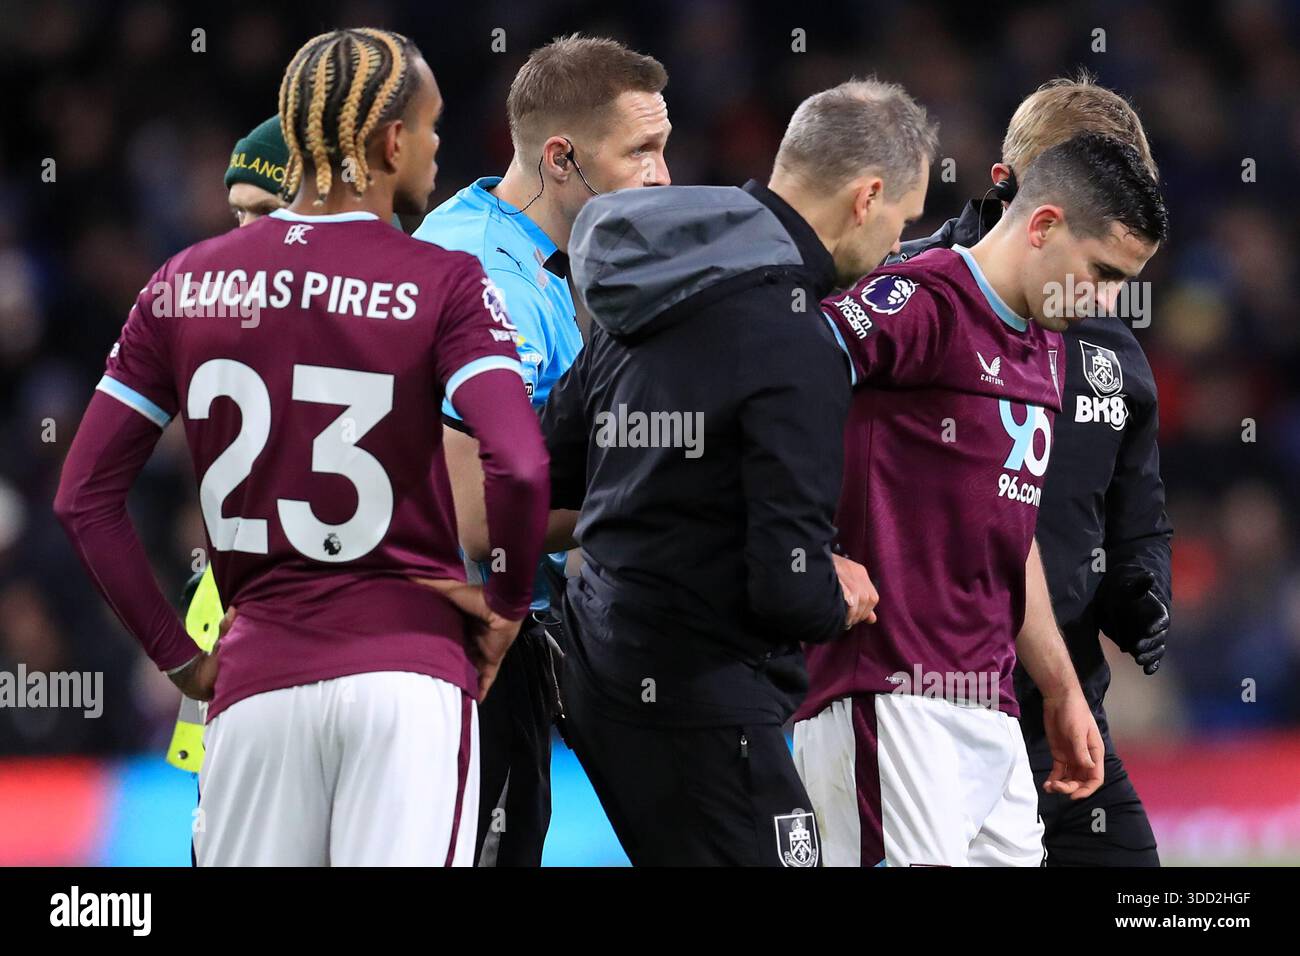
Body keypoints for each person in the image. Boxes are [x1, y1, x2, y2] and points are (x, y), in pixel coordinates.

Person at [54, 27, 550, 866]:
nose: (436, 147)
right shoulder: (446, 280)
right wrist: (504, 608)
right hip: (409, 679)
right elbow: (523, 464)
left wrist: (180, 660)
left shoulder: (180, 282)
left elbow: (82, 499)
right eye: (429, 129)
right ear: (394, 141)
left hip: (253, 688)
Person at [540, 78, 935, 866]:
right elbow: (784, 587)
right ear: (867, 197)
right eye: (903, 220)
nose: (897, 246)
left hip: (595, 662)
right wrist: (838, 591)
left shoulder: (651, 285)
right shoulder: (799, 342)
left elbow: (550, 477)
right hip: (701, 698)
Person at [796, 131, 1169, 866]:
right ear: (1043, 225)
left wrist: (1060, 688)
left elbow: (1007, 529)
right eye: (1100, 271)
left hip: (990, 708)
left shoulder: (1046, 345)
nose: (1107, 300)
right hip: (886, 695)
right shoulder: (920, 300)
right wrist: (805, 546)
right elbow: (773, 387)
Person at [893, 76, 1171, 866]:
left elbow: (1137, 512)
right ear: (1021, 190)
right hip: (923, 709)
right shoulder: (906, 301)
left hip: (1062, 708)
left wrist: (1140, 587)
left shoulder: (1113, 353)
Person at [413, 34, 671, 866]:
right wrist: (649, 502)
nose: (663, 176)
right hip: (477, 635)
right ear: (562, 157)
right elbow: (480, 513)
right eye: (642, 151)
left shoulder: (478, 227)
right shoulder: (497, 284)